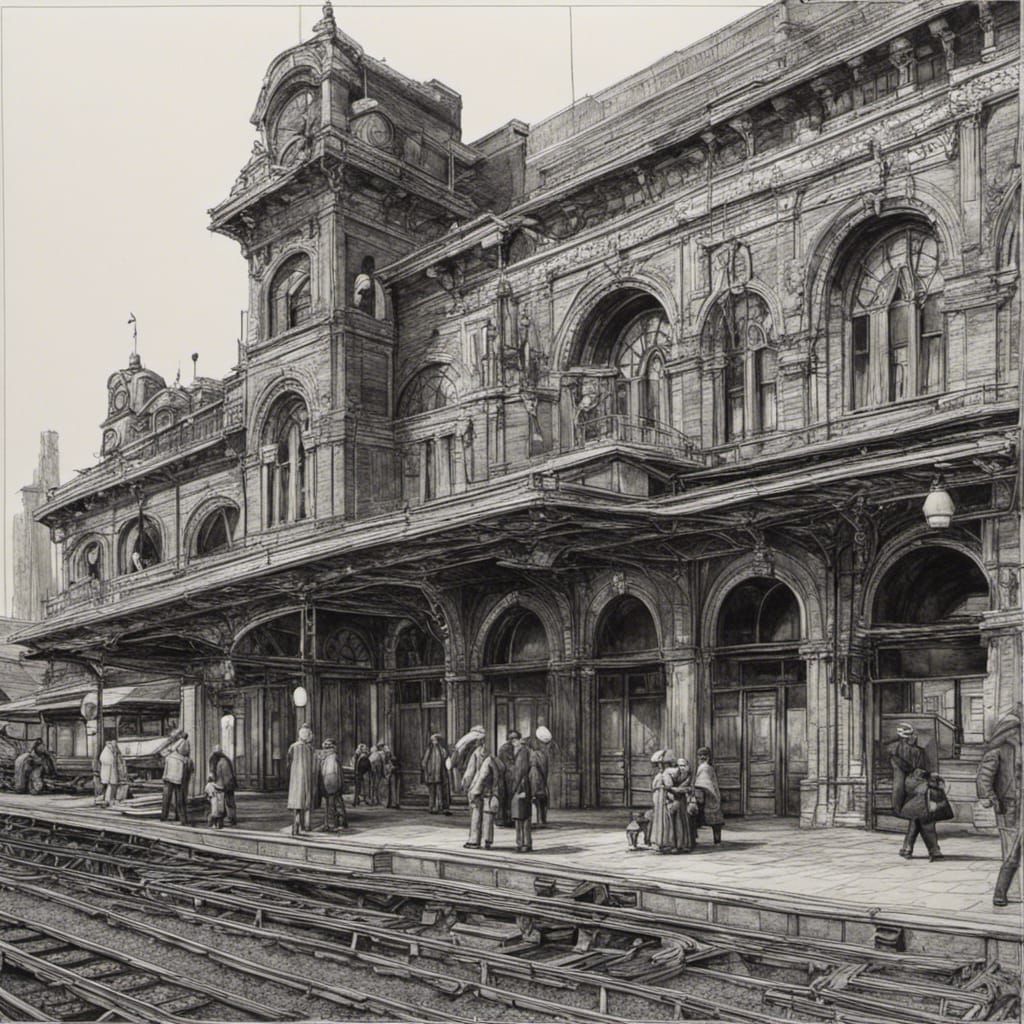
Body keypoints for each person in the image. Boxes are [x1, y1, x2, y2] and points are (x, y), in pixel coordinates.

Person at [977, 705, 1022, 907]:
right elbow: (984, 776)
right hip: (1009, 806)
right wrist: (989, 797)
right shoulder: (998, 750)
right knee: (1012, 852)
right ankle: (1001, 892)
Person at [898, 767, 952, 861]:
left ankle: (907, 849)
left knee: (914, 827)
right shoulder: (929, 786)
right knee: (926, 828)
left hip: (917, 808)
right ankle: (934, 851)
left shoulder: (918, 784)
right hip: (924, 809)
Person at [887, 722, 930, 820]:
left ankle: (903, 810)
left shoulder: (916, 751)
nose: (913, 738)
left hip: (910, 776)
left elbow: (920, 767)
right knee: (900, 784)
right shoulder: (895, 748)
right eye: (909, 736)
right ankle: (901, 810)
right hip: (902, 775)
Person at [465, 738, 502, 850]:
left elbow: (479, 776)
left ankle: (474, 840)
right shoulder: (492, 759)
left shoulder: (480, 757)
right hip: (489, 791)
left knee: (477, 816)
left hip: (481, 791)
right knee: (487, 816)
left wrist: (472, 790)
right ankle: (487, 840)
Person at [287, 723, 315, 836]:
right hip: (307, 777)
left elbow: (288, 762)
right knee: (306, 802)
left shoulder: (293, 747)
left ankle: (296, 827)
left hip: (296, 779)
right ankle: (307, 825)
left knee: (297, 803)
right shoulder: (310, 748)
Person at [315, 738, 348, 832]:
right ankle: (332, 824)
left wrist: (330, 787)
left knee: (333, 805)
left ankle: (333, 824)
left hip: (331, 785)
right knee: (333, 804)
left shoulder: (332, 758)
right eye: (325, 746)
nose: (325, 748)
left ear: (332, 747)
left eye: (328, 746)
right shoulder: (328, 757)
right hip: (330, 785)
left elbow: (332, 773)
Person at [159, 729, 191, 825]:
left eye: (174, 736)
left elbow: (182, 752)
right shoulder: (174, 744)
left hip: (178, 773)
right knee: (166, 797)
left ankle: (182, 819)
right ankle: (164, 817)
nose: (172, 737)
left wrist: (173, 747)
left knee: (180, 798)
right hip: (169, 773)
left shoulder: (183, 743)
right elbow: (163, 753)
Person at [694, 746, 724, 845]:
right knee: (713, 820)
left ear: (709, 757)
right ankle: (717, 840)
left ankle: (717, 840)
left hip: (708, 795)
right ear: (697, 757)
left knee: (714, 819)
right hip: (705, 794)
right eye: (700, 755)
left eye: (705, 755)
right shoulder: (704, 767)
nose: (703, 757)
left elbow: (704, 783)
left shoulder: (705, 767)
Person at [667, 757, 698, 853]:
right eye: (679, 765)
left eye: (683, 765)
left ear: (687, 766)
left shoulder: (689, 776)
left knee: (684, 822)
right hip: (675, 800)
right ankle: (675, 845)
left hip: (684, 801)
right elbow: (669, 788)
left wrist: (680, 790)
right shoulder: (674, 775)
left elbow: (691, 788)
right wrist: (674, 790)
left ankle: (685, 844)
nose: (681, 768)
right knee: (675, 823)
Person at [508, 731, 533, 853]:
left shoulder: (522, 752)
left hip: (520, 788)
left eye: (514, 740)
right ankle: (523, 843)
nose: (513, 743)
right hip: (522, 787)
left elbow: (520, 771)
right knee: (521, 817)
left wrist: (514, 788)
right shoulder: (522, 751)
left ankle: (524, 844)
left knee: (522, 818)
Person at [421, 733, 451, 815]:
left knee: (440, 791)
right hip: (432, 774)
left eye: (435, 740)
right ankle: (432, 807)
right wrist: (427, 771)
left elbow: (446, 759)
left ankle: (440, 807)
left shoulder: (442, 750)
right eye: (433, 740)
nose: (434, 742)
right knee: (432, 792)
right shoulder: (429, 750)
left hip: (440, 774)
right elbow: (424, 762)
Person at [208, 746, 237, 826]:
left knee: (228, 801)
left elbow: (227, 776)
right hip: (221, 785)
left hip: (226, 784)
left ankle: (231, 818)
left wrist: (225, 786)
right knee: (223, 802)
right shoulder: (218, 760)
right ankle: (227, 817)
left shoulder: (222, 761)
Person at [530, 726, 552, 827]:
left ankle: (540, 820)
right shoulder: (541, 754)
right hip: (539, 778)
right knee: (540, 799)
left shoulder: (536, 754)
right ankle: (541, 820)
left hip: (537, 778)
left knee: (538, 799)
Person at [99, 739, 128, 808]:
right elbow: (107, 760)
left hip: (115, 771)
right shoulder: (108, 751)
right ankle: (111, 800)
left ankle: (112, 800)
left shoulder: (114, 751)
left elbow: (120, 762)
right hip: (112, 771)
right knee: (112, 785)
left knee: (115, 785)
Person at [497, 735, 516, 827]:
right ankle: (507, 819)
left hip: (505, 775)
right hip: (508, 776)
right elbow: (509, 763)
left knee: (505, 799)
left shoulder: (503, 748)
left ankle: (503, 820)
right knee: (508, 799)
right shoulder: (507, 748)